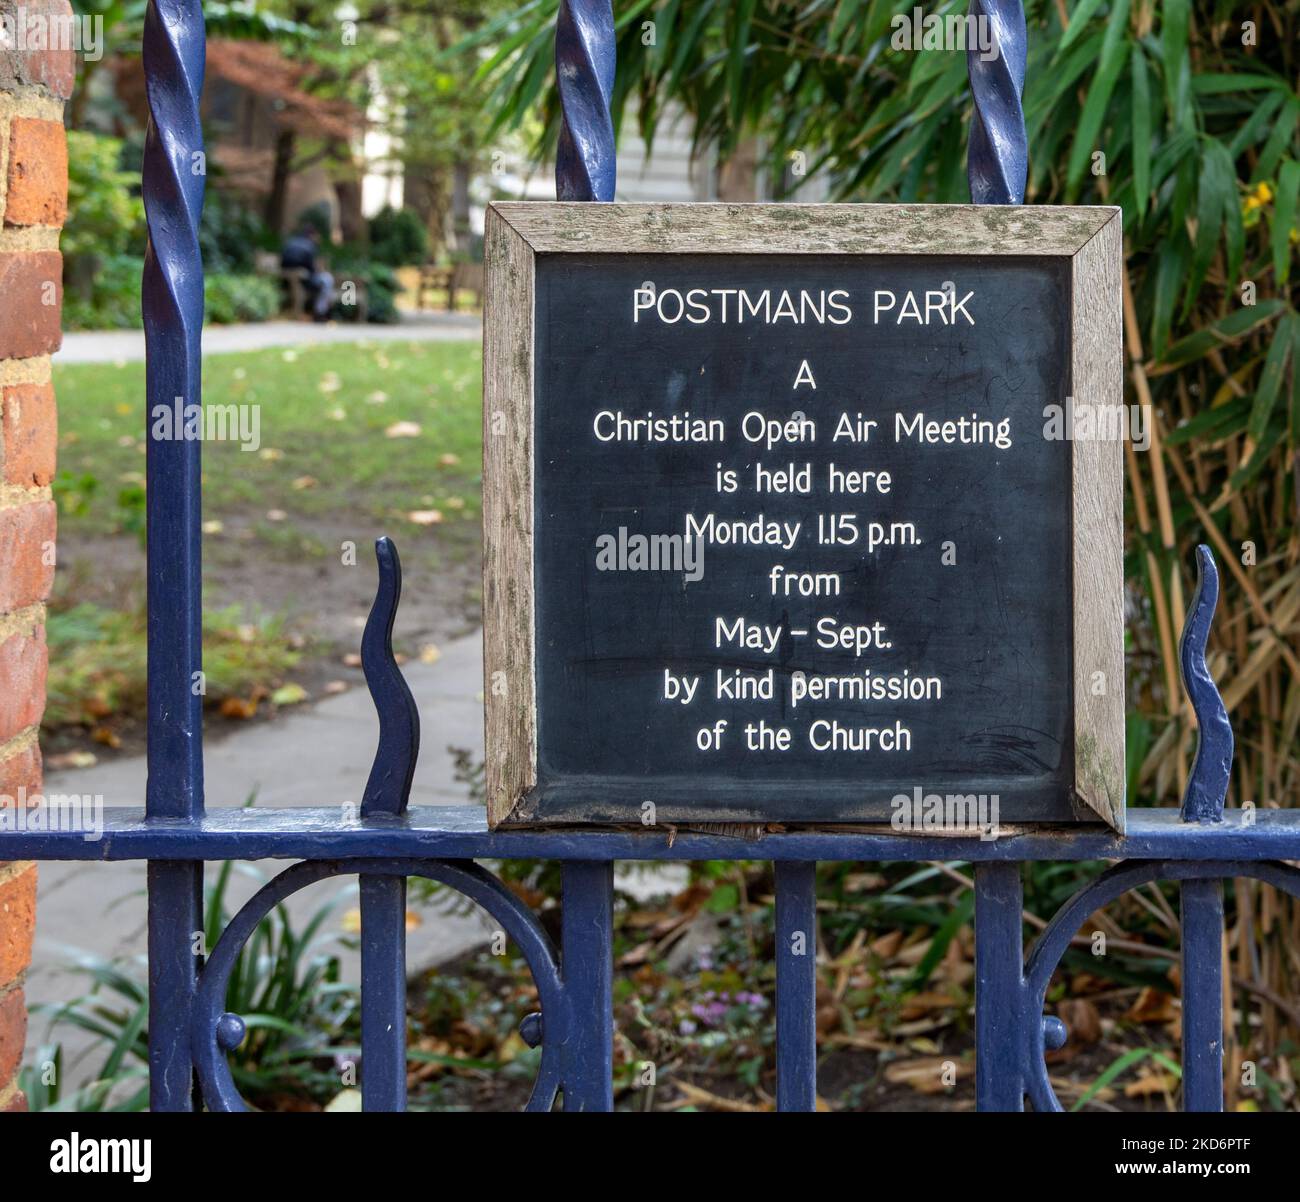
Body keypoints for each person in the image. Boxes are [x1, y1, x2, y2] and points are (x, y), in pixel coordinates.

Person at [280, 226, 336, 321]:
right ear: (312, 235)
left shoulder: (291, 241)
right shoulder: (310, 245)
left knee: (324, 281)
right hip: (303, 278)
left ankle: (319, 311)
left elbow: (282, 261)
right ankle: (320, 313)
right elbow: (311, 268)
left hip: (285, 278)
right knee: (327, 279)